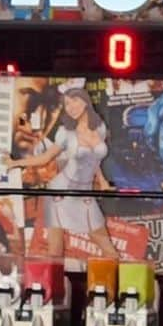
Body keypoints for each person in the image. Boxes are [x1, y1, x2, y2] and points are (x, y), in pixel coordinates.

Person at [40, 86, 118, 260]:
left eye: (74, 100)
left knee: (107, 247)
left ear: (85, 102)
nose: (71, 106)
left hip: (83, 193)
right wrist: (15, 163)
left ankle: (116, 284)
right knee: (55, 250)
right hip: (61, 191)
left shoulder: (99, 128)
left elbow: (93, 159)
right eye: (67, 103)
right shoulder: (65, 132)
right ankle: (53, 285)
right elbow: (46, 158)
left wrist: (103, 182)